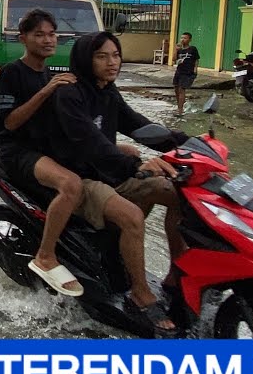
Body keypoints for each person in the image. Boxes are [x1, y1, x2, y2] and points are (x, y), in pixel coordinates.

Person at [48, 31, 188, 333]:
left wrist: (190, 146)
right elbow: (91, 143)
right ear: (86, 60)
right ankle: (140, 293)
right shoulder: (69, 94)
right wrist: (138, 165)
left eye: (116, 55)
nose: (113, 63)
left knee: (177, 194)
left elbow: (138, 125)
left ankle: (176, 275)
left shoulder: (108, 91)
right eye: (102, 56)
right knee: (132, 217)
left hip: (108, 172)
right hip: (79, 178)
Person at [0, 9, 85, 297]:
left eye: (52, 34)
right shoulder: (11, 73)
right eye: (39, 34)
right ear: (23, 39)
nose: (48, 40)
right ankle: (45, 256)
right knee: (71, 185)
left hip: (45, 150)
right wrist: (46, 92)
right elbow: (10, 122)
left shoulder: (50, 73)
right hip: (17, 151)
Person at [172, 32, 199, 116]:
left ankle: (180, 110)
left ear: (189, 39)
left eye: (185, 38)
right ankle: (180, 106)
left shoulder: (192, 49)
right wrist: (175, 50)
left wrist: (195, 69)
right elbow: (173, 59)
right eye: (182, 38)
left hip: (188, 72)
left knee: (181, 89)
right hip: (179, 71)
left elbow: (197, 59)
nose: (183, 39)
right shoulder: (179, 49)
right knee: (176, 89)